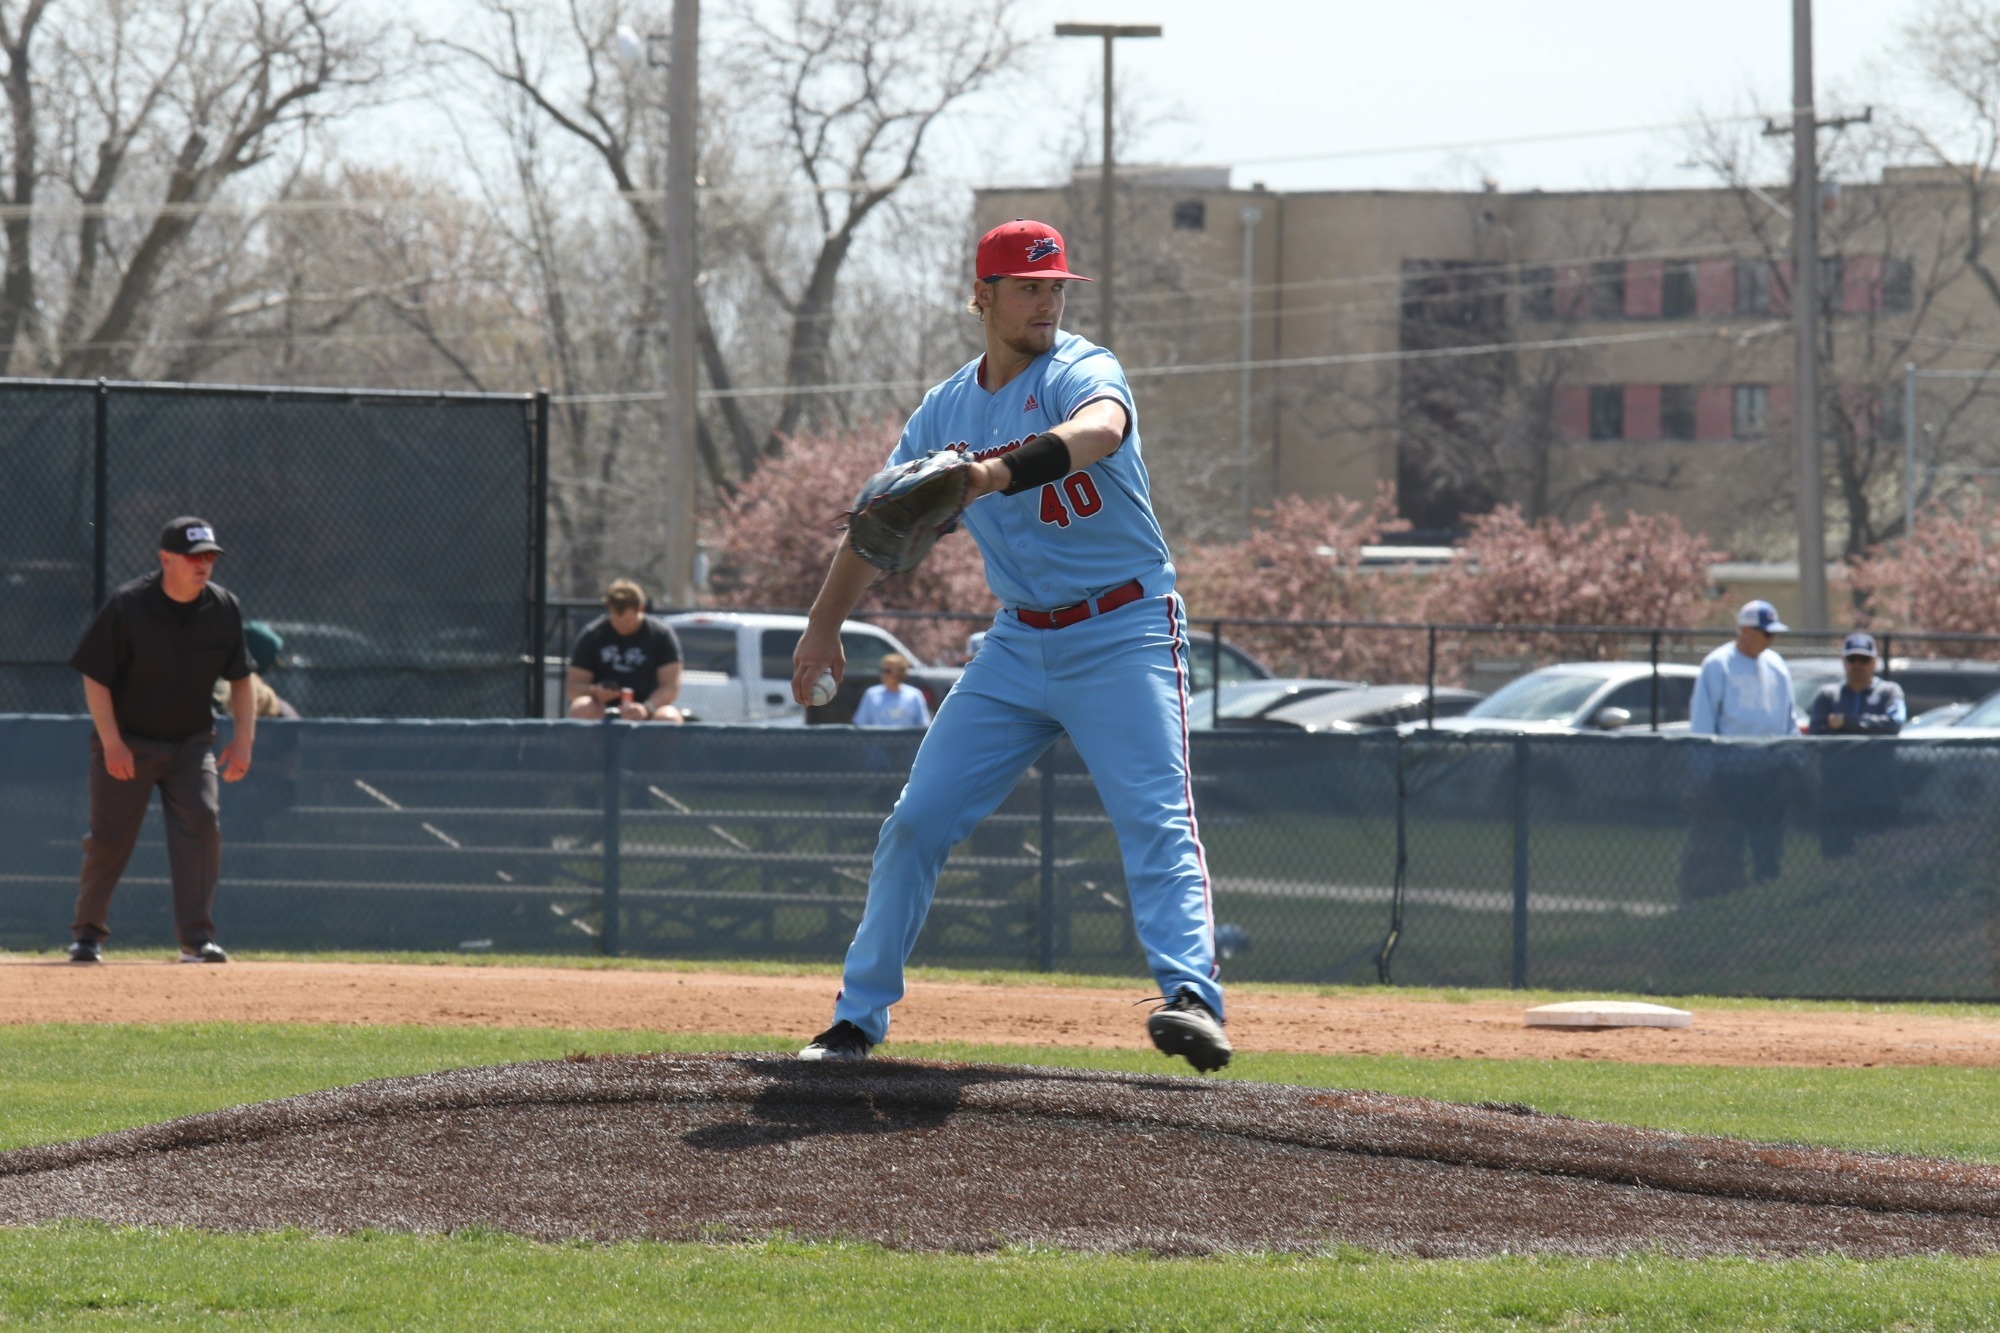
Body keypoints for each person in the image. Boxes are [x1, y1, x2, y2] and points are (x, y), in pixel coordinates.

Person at [790, 219, 1229, 1071]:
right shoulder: (947, 408)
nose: (1048, 301)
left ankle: (1192, 999)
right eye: (1030, 287)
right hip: (1018, 642)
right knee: (915, 822)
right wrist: (823, 623)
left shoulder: (1082, 369)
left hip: (1124, 630)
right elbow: (877, 523)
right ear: (982, 296)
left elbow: (1101, 430)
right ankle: (855, 1021)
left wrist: (988, 474)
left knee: (1156, 817)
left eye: (1057, 286)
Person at [67, 516, 255, 964]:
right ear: (165, 558)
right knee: (109, 838)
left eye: (210, 556)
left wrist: (243, 740)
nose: (203, 564)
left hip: (190, 743)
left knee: (203, 822)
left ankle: (197, 939)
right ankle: (87, 935)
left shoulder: (224, 607)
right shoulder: (128, 605)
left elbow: (242, 680)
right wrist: (111, 741)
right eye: (193, 556)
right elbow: (96, 677)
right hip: (128, 741)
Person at [1680, 599, 1801, 900]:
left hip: (1770, 774)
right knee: (1727, 851)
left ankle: (1764, 906)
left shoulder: (1776, 665)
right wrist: (1704, 777)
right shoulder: (1718, 665)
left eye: (1773, 633)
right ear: (1745, 631)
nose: (1771, 639)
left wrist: (1793, 761)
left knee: (1768, 849)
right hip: (1728, 776)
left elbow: (1789, 718)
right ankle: (1725, 908)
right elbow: (1703, 725)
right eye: (1765, 632)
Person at [1807, 631, 1906, 857]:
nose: (1858, 665)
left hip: (1879, 794)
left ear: (1875, 662)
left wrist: (1845, 722)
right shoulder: (1827, 695)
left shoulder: (1889, 693)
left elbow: (1893, 724)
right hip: (1837, 796)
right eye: (1852, 659)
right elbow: (1818, 736)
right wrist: (1867, 733)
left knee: (1881, 860)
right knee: (1835, 859)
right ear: (1844, 661)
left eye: (1864, 659)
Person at [566, 579, 684, 722]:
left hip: (649, 709)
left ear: (640, 609)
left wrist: (646, 708)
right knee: (581, 708)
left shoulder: (660, 635)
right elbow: (573, 687)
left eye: (627, 620)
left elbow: (671, 687)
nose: (622, 625)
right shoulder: (593, 634)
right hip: (602, 711)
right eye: (616, 620)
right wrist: (595, 691)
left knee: (668, 717)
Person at [851, 653, 931, 728]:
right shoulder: (871, 694)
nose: (884, 674)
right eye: (882, 670)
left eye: (888, 671)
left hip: (907, 742)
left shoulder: (914, 695)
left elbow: (923, 725)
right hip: (878, 742)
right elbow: (860, 724)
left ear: (900, 673)